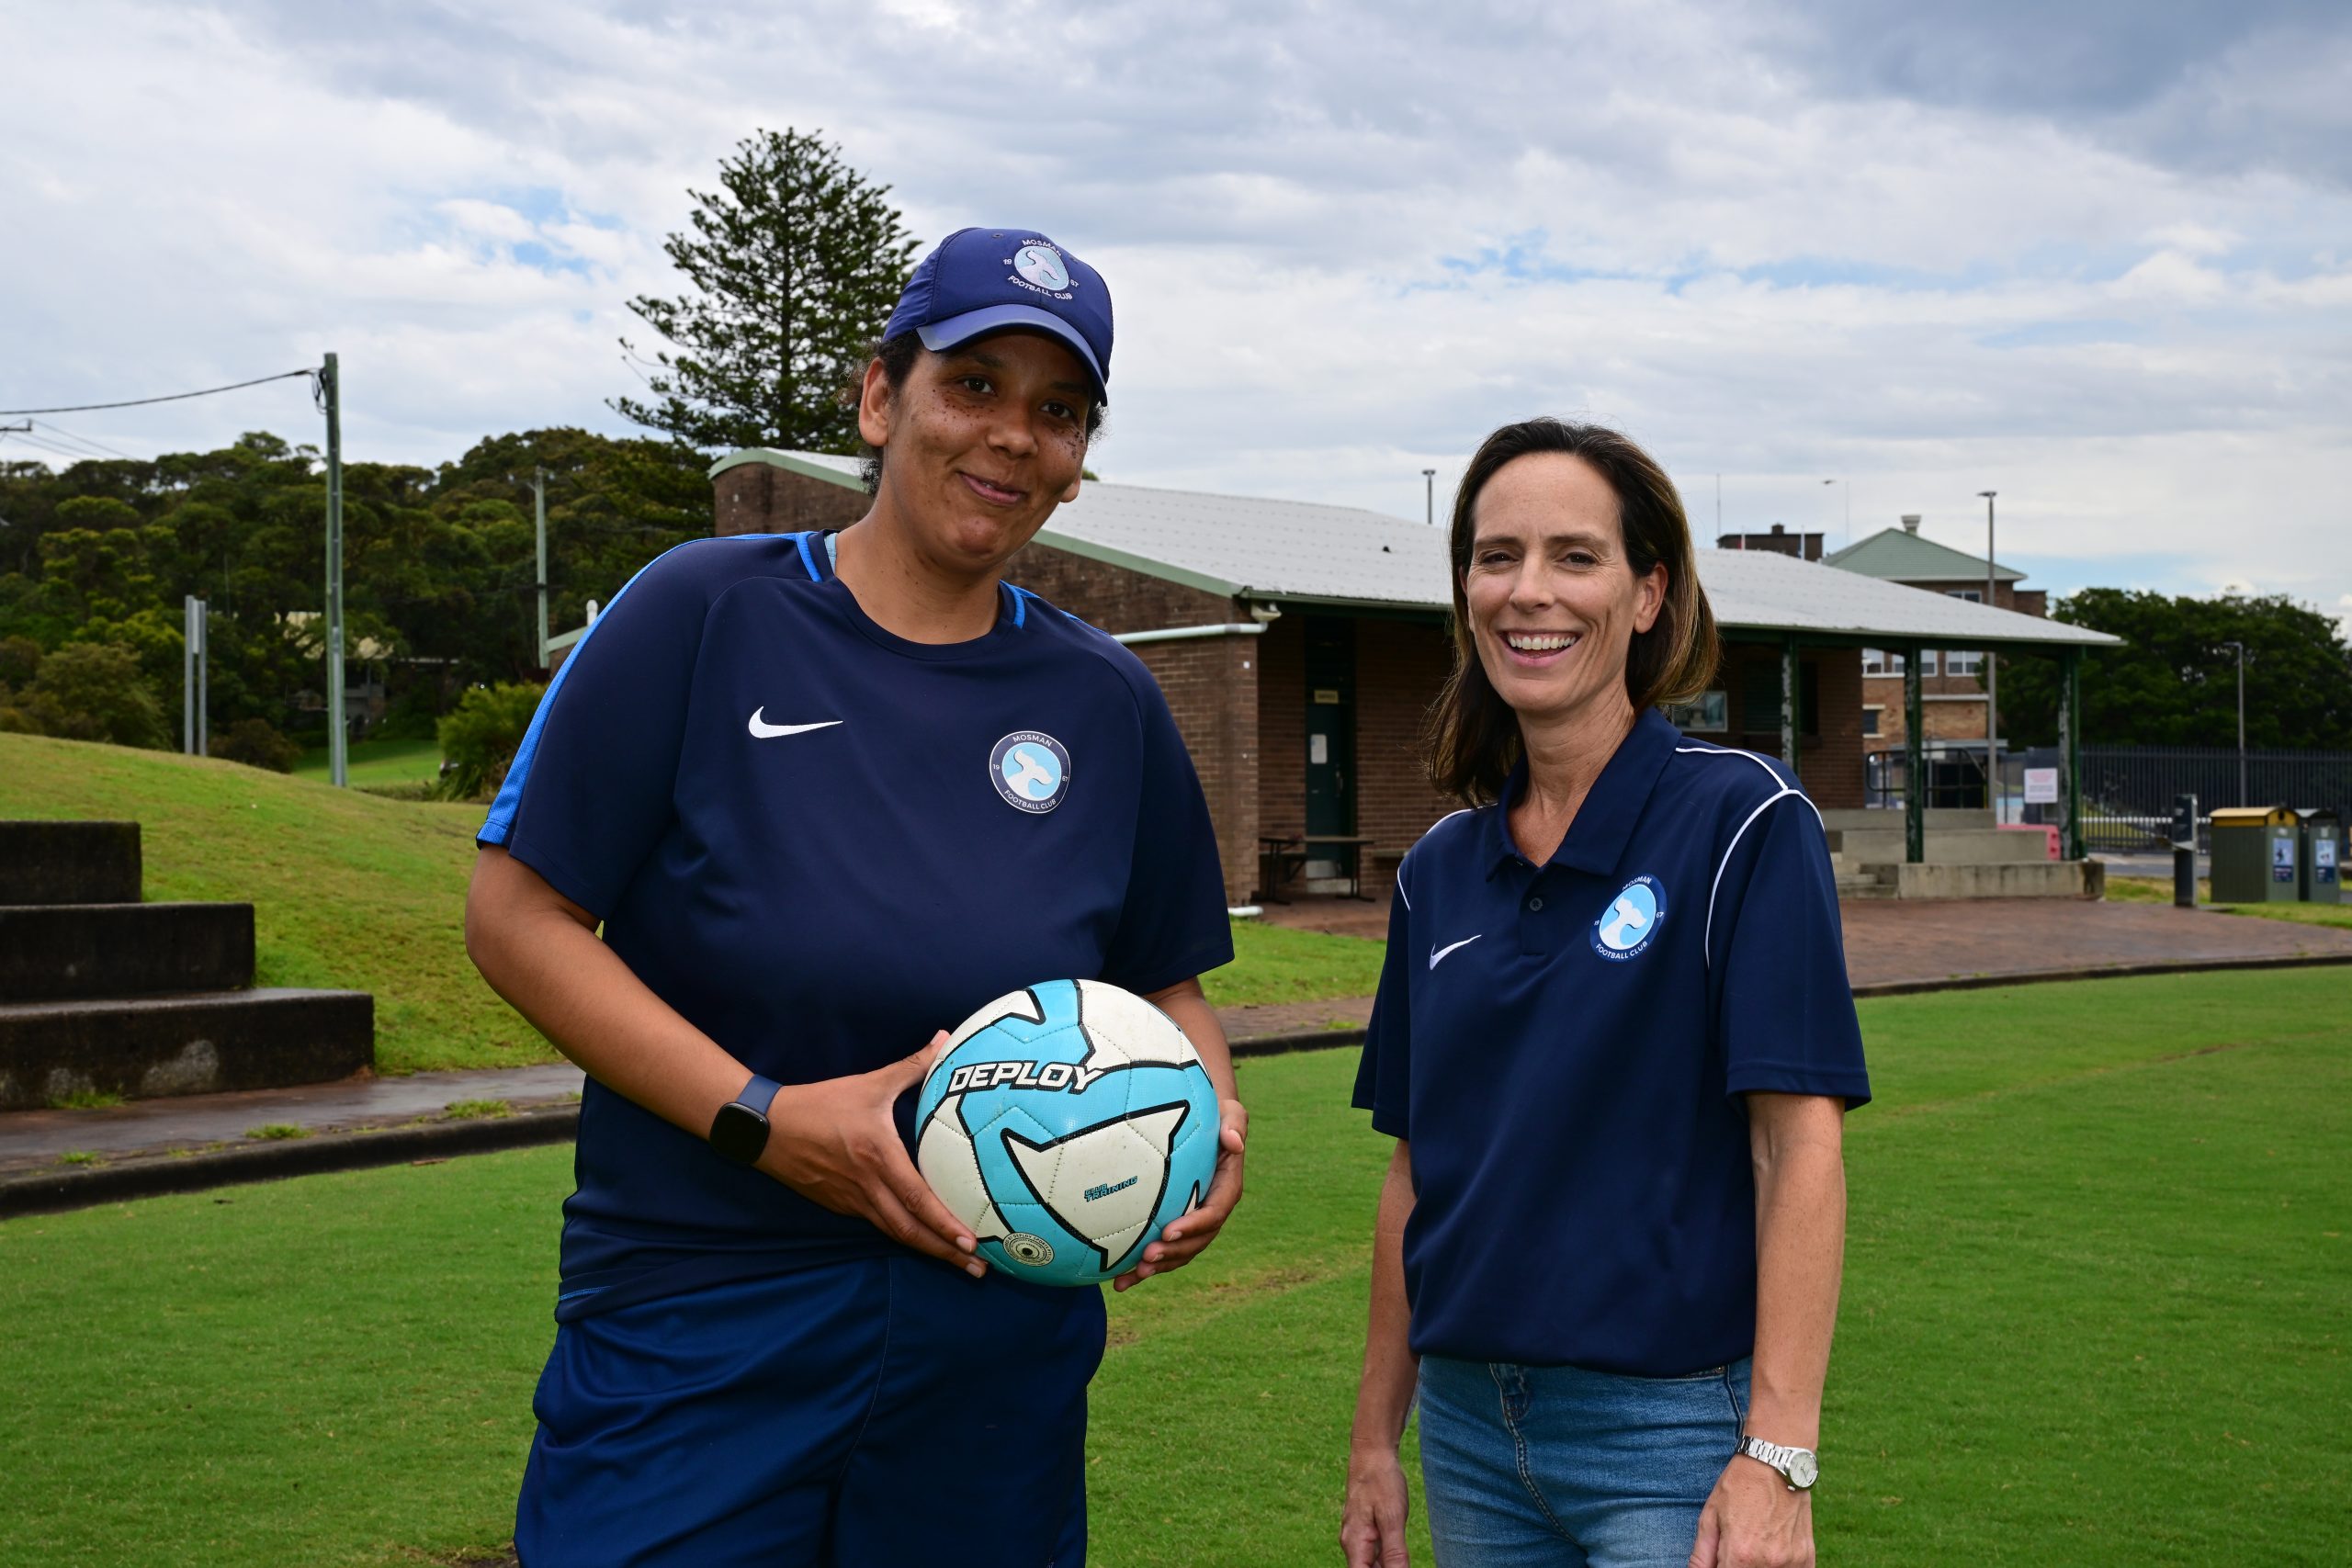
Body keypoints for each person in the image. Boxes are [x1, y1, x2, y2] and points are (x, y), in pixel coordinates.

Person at [466, 226, 1248, 1567]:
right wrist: (767, 1121)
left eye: (1059, 411)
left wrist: (1201, 1123)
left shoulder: (1106, 698)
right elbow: (518, 912)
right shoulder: (701, 613)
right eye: (975, 385)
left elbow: (1166, 986)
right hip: (701, 1307)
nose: (1014, 437)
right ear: (882, 397)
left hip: (992, 1337)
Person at [1340, 419, 1870, 1568]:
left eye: (1574, 557)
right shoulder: (1437, 869)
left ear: (1648, 595)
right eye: (1496, 557)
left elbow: (1796, 1149)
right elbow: (1414, 1175)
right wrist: (1376, 1437)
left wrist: (1777, 1455)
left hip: (1670, 1437)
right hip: (1471, 1435)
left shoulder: (1742, 820)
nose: (1528, 592)